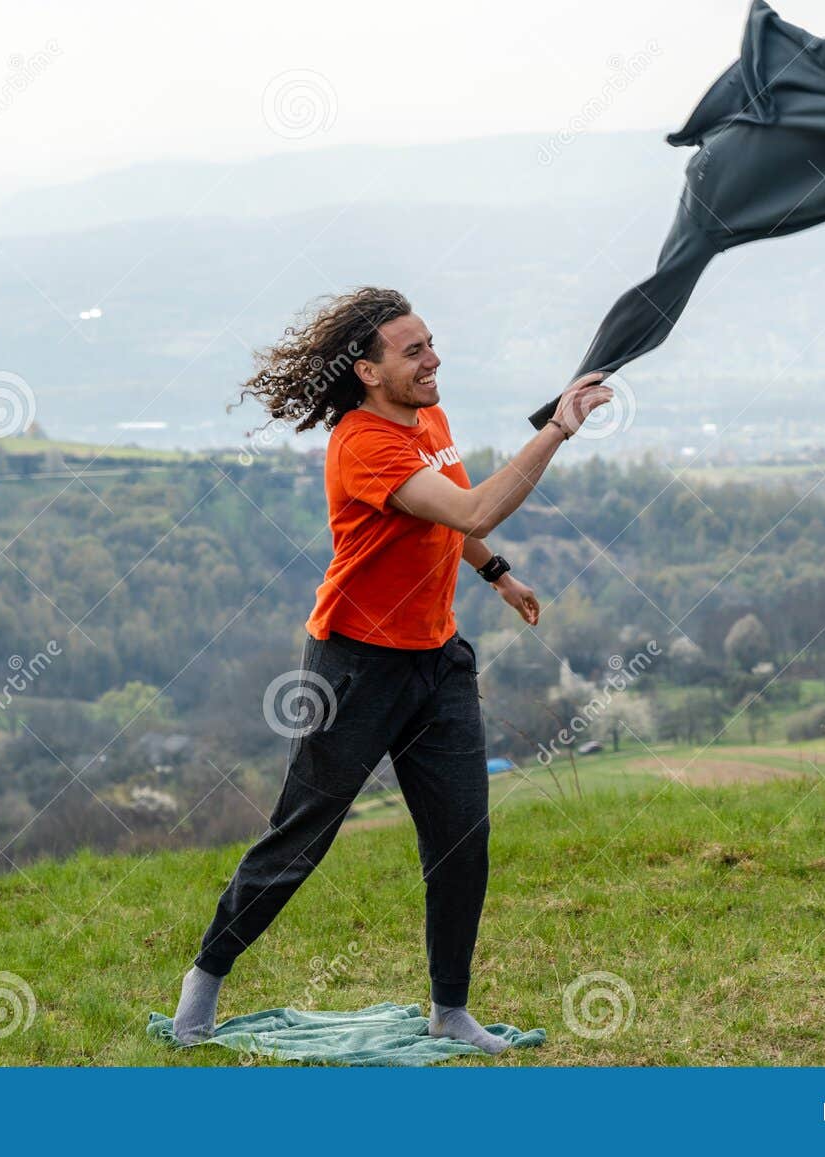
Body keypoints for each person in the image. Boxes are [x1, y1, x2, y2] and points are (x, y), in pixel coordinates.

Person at [170, 286, 612, 1053]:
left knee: (460, 837)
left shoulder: (427, 417)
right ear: (369, 371)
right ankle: (204, 978)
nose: (433, 359)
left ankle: (450, 1007)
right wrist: (557, 429)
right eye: (413, 351)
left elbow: (455, 516)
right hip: (354, 669)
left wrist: (497, 573)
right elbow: (474, 509)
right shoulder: (363, 443)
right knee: (302, 835)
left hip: (436, 662)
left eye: (430, 343)